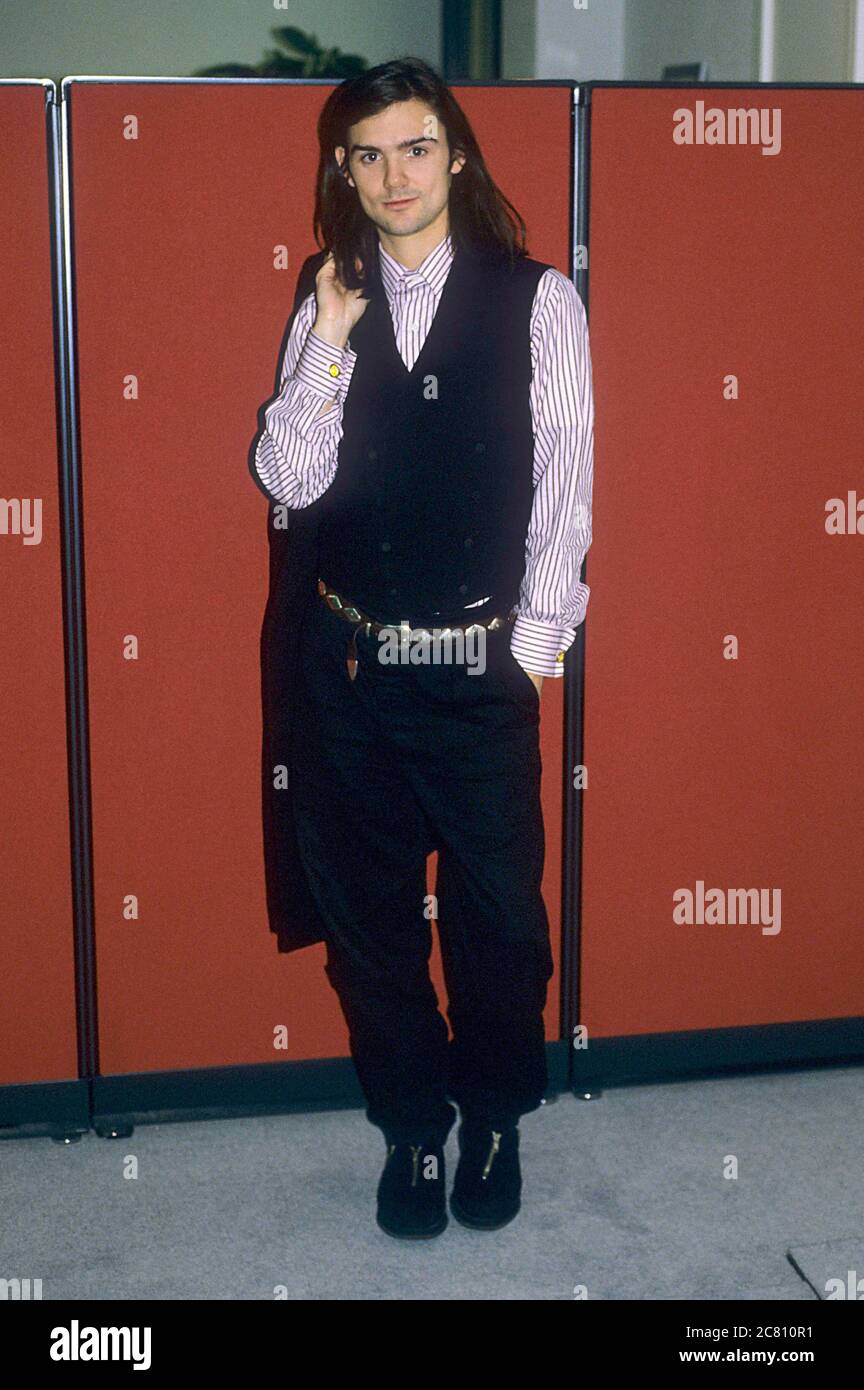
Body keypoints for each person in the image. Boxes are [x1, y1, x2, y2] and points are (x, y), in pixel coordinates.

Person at [250, 56, 594, 1239]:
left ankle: (494, 1112)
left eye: (413, 147)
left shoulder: (537, 298)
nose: (393, 175)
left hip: (474, 670)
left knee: (502, 921)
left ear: (454, 152)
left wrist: (533, 653)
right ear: (343, 171)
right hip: (346, 672)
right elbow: (287, 478)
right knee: (373, 929)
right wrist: (332, 338)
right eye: (367, 155)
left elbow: (567, 491)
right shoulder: (324, 294)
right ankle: (414, 1134)